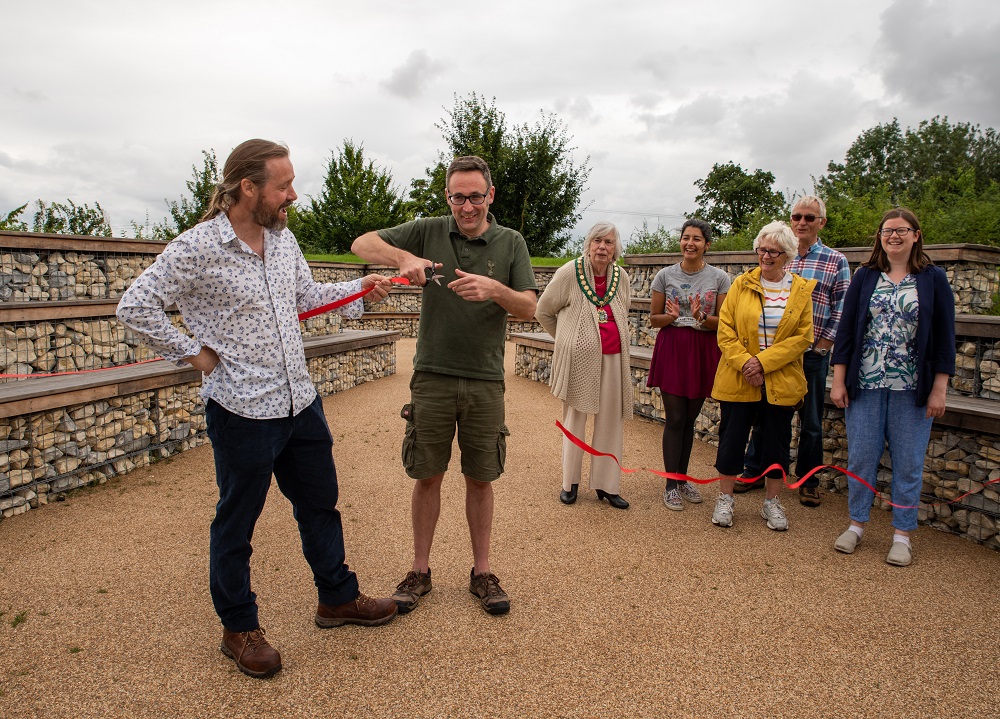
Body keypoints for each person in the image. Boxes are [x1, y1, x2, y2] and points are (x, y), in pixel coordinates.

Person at [117, 139, 398, 679]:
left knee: (321, 503)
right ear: (249, 188)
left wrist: (362, 289)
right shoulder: (196, 247)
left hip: (301, 401)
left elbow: (303, 298)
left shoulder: (282, 237)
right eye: (283, 185)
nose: (292, 194)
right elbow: (134, 305)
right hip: (242, 409)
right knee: (237, 522)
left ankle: (336, 598)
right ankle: (238, 628)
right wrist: (192, 353)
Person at [351, 156, 538, 616]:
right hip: (432, 375)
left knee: (480, 478)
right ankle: (420, 570)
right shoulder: (429, 230)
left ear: (490, 195)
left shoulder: (511, 242)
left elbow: (530, 309)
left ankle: (482, 571)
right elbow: (361, 243)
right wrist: (404, 258)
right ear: (448, 196)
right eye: (458, 196)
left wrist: (496, 290)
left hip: (485, 379)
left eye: (476, 196)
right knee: (426, 474)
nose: (467, 206)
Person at [831, 208, 955, 567]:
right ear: (880, 237)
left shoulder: (934, 279)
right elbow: (847, 332)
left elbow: (946, 338)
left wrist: (940, 388)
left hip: (913, 389)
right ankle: (856, 525)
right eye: (888, 231)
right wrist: (839, 380)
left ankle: (902, 534)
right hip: (866, 385)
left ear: (916, 235)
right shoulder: (866, 276)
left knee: (908, 463)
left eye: (902, 230)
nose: (894, 236)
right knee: (862, 458)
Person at [735, 196, 850, 507]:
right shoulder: (780, 254)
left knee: (810, 421)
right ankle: (755, 470)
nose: (802, 222)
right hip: (769, 357)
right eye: (797, 216)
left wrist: (824, 343)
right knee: (765, 416)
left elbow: (843, 308)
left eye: (809, 217)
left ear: (821, 222)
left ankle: (808, 481)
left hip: (810, 355)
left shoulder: (834, 260)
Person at [710, 221, 815, 531]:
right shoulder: (740, 284)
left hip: (779, 380)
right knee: (732, 440)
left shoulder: (799, 290)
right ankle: (725, 499)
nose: (766, 256)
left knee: (776, 443)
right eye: (762, 250)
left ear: (788, 255)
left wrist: (763, 363)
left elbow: (802, 337)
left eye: (774, 251)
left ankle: (771, 502)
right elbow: (725, 330)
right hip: (739, 377)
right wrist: (746, 364)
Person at [535, 222, 634, 510]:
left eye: (608, 242)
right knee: (575, 421)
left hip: (614, 358)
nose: (602, 247)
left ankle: (607, 485)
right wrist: (566, 340)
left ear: (615, 249)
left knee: (611, 423)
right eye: (597, 241)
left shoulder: (622, 277)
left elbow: (622, 312)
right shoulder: (569, 272)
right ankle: (570, 483)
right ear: (588, 244)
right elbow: (543, 311)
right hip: (580, 361)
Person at [646, 219, 730, 511]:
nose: (690, 243)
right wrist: (670, 318)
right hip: (673, 347)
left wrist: (702, 318)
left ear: (707, 244)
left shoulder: (720, 278)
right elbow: (654, 318)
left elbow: (725, 322)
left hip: (702, 349)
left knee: (690, 420)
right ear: (680, 242)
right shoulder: (664, 276)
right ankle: (671, 484)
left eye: (696, 239)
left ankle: (682, 479)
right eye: (685, 238)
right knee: (676, 418)